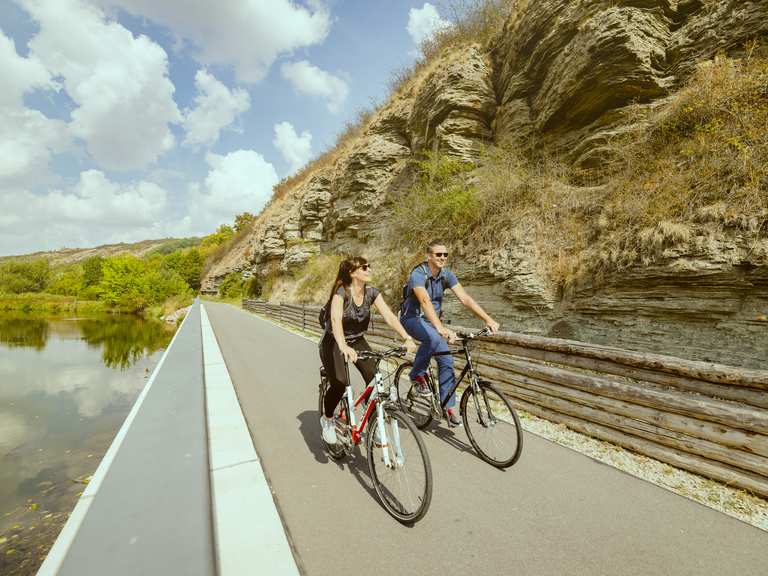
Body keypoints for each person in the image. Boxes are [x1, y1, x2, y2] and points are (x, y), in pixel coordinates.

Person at [400, 240, 500, 427]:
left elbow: (465, 299)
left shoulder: (446, 275)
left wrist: (488, 319)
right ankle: (416, 375)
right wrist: (441, 328)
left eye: (445, 255)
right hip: (412, 318)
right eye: (438, 255)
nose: (443, 258)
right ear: (429, 256)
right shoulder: (418, 274)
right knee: (433, 337)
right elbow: (424, 301)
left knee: (447, 361)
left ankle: (448, 407)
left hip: (432, 321)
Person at [320, 255, 416, 444]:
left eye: (369, 266)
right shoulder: (341, 292)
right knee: (340, 382)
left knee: (375, 380)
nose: (369, 269)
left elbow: (389, 316)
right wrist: (342, 345)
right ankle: (328, 419)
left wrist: (407, 337)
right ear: (352, 273)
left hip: (356, 340)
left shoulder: (372, 293)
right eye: (364, 267)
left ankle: (374, 422)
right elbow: (335, 320)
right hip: (333, 341)